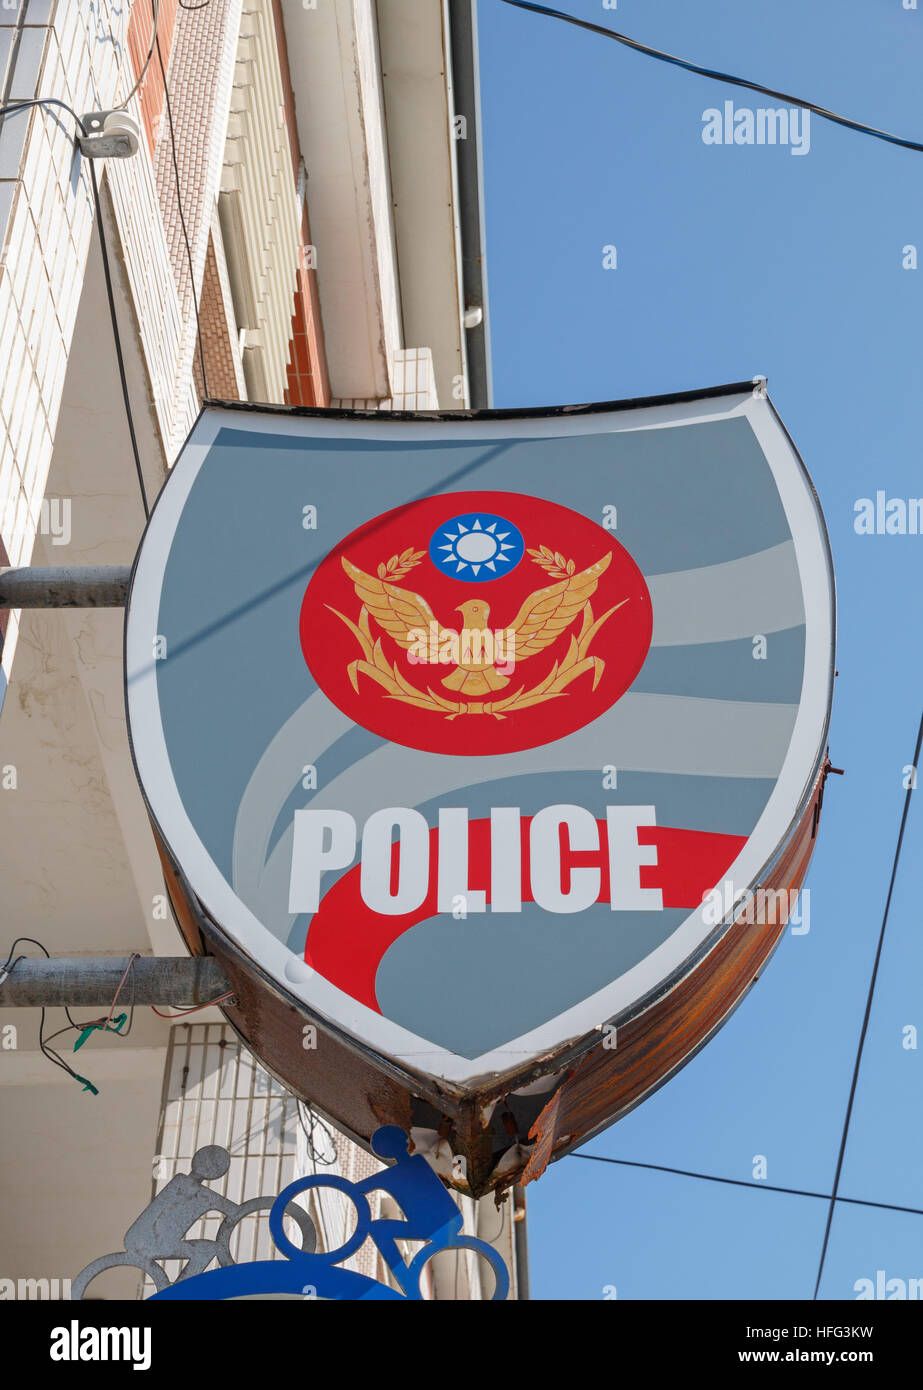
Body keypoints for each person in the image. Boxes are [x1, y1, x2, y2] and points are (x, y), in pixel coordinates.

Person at [123, 1146, 239, 1280]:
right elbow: (234, 1210)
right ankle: (179, 1289)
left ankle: (178, 1290)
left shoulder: (181, 1181)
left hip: (138, 1240)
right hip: (154, 1244)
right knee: (207, 1248)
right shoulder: (203, 1194)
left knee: (207, 1247)